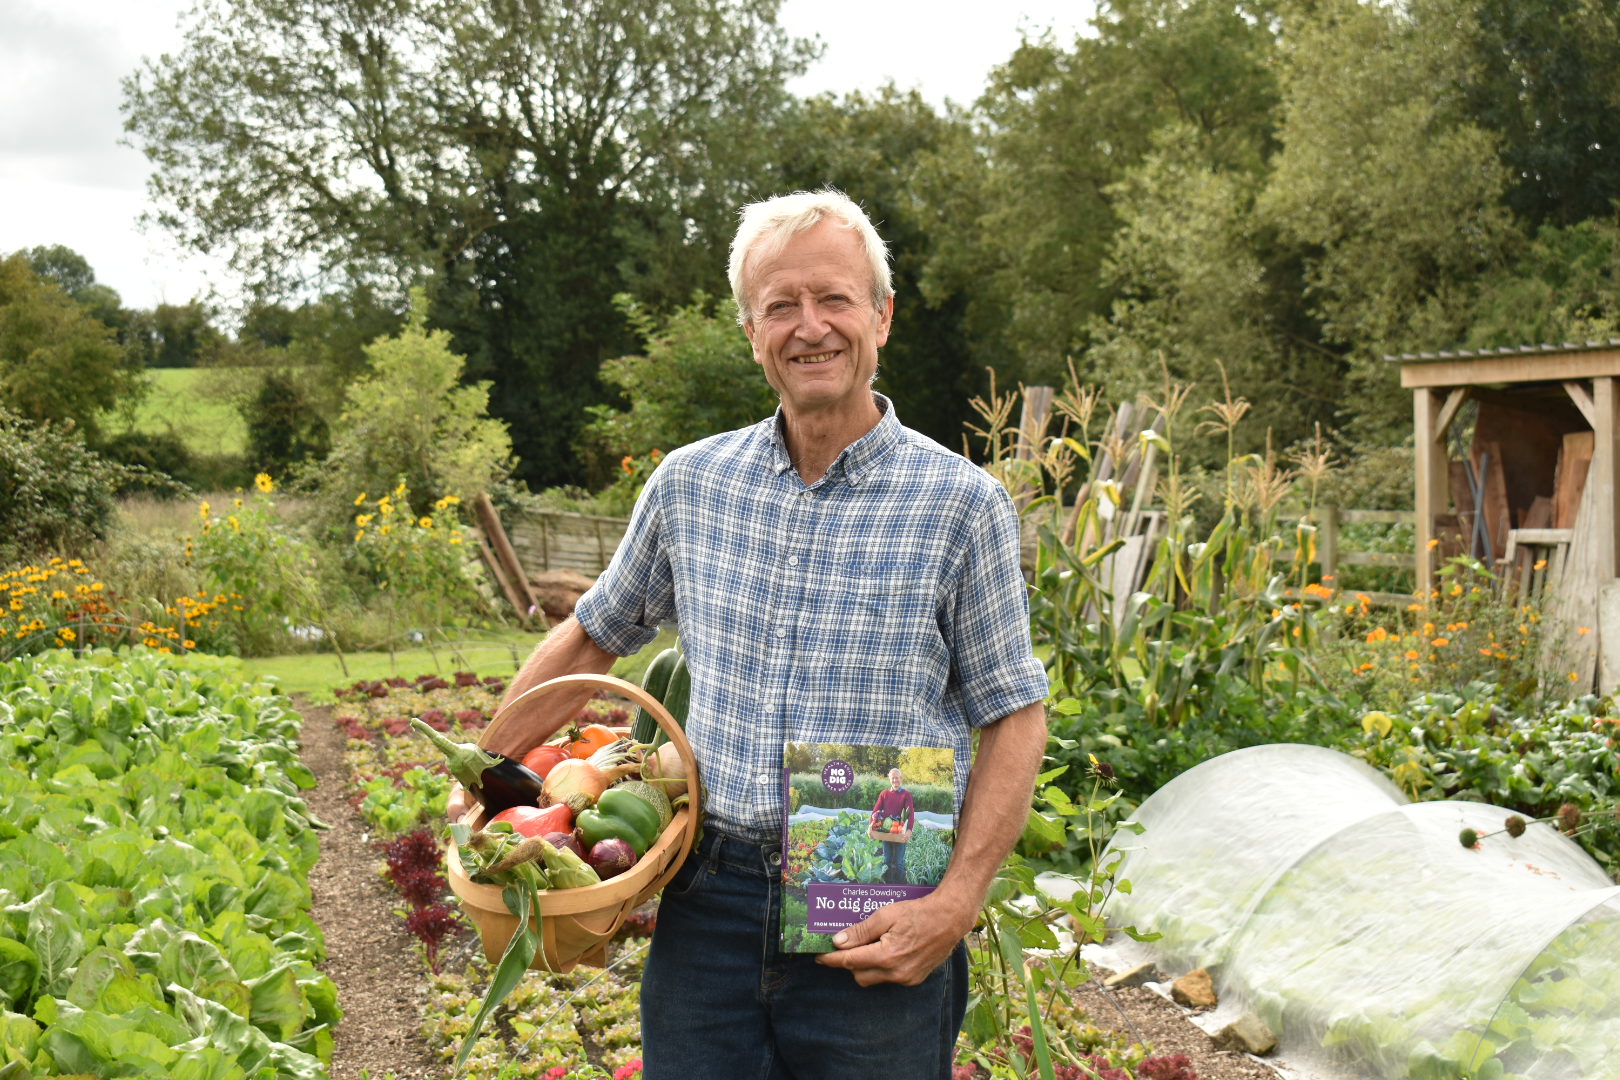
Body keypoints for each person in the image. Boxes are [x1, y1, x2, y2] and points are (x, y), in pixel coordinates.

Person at [459, 189, 1049, 1079]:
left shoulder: (962, 505)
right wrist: (483, 777)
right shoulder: (691, 483)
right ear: (751, 332)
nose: (810, 326)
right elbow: (590, 636)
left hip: (873, 886)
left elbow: (1014, 714)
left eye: (834, 298)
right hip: (710, 896)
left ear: (882, 317)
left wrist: (957, 900)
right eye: (780, 305)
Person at [871, 767, 916, 884]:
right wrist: (871, 825)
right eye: (893, 778)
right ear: (889, 779)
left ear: (901, 779)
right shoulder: (884, 794)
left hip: (900, 831)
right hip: (886, 832)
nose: (895, 780)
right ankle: (887, 884)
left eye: (897, 778)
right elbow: (875, 811)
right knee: (887, 860)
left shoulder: (906, 794)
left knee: (899, 862)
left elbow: (910, 814)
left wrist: (909, 830)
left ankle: (900, 885)